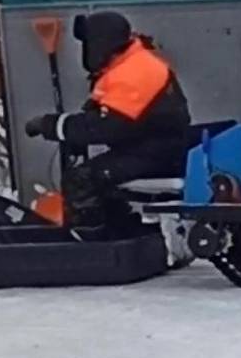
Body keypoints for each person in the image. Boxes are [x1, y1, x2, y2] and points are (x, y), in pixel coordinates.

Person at [22, 12, 191, 228]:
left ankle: (97, 241)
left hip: (156, 152)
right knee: (99, 177)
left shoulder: (134, 72)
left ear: (101, 44)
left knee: (82, 180)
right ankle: (123, 231)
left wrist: (52, 125)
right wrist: (73, 130)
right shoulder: (130, 64)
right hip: (151, 145)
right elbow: (103, 114)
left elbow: (106, 127)